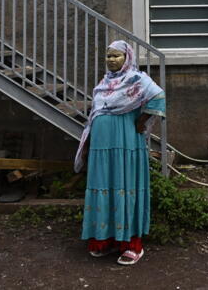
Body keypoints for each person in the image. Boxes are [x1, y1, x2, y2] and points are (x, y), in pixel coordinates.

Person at [74, 40, 165, 265]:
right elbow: (96, 112)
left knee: (126, 185)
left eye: (117, 56)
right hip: (102, 144)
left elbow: (159, 97)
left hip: (126, 141)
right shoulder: (105, 82)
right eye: (109, 56)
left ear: (127, 58)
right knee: (105, 184)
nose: (112, 60)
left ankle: (131, 244)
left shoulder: (137, 79)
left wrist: (142, 120)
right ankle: (105, 240)